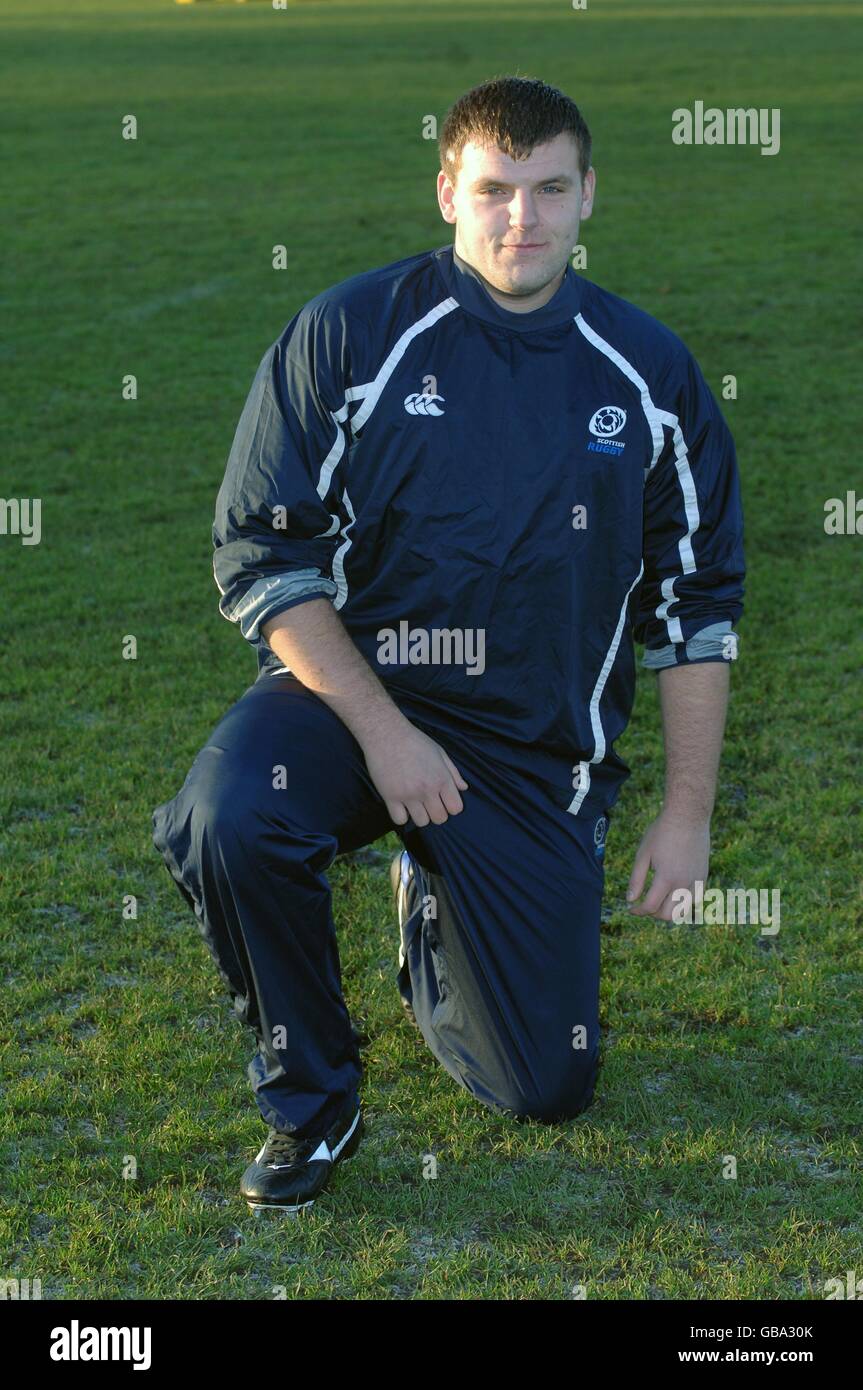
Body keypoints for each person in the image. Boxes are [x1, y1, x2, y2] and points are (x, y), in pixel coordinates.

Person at [152, 75, 745, 1213]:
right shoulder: (347, 334)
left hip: (529, 747)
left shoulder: (652, 377)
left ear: (586, 200)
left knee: (545, 1083)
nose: (519, 219)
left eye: (547, 190)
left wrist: (686, 813)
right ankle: (312, 1102)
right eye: (492, 191)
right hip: (350, 699)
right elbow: (261, 561)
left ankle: (432, 904)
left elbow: (693, 609)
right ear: (445, 193)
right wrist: (383, 734)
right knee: (227, 814)